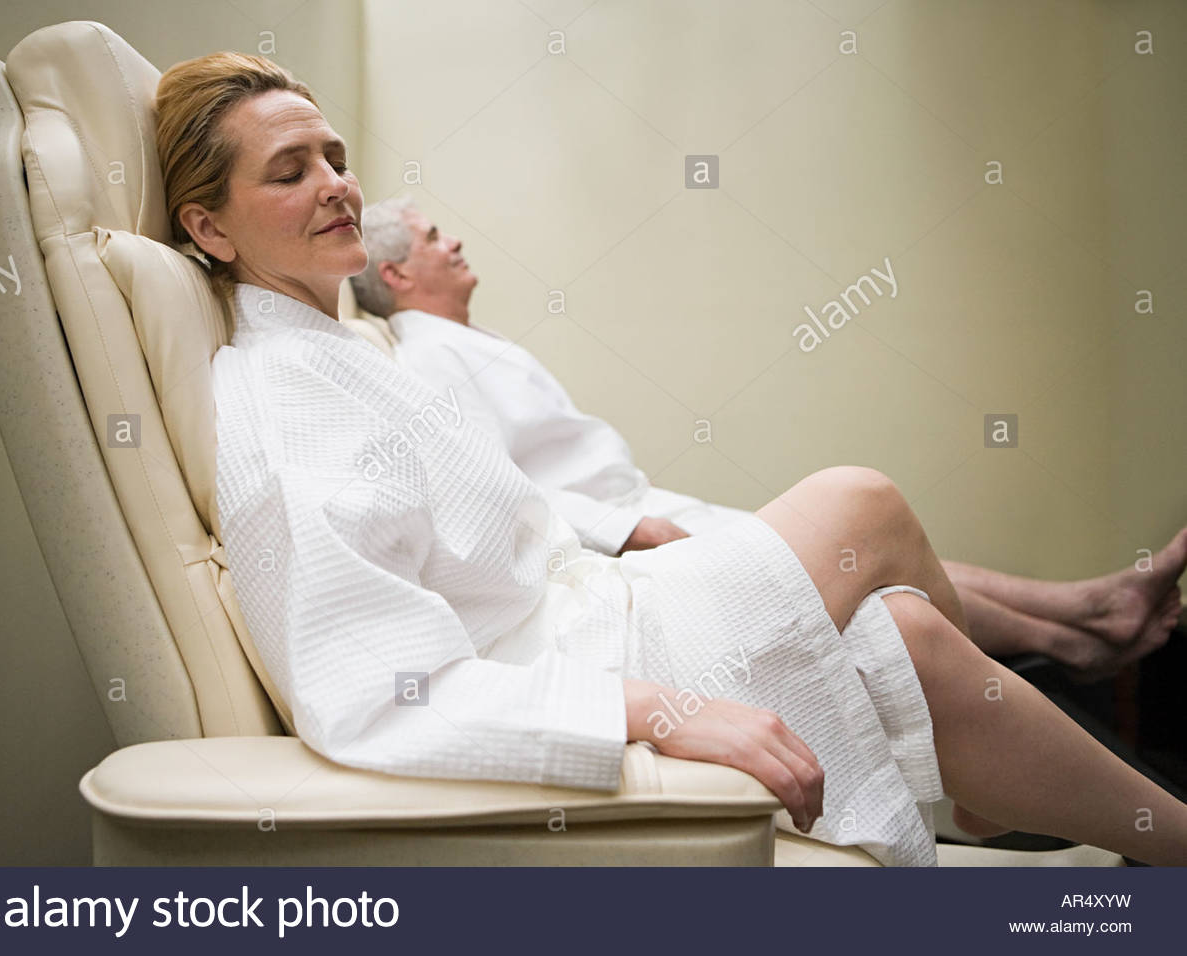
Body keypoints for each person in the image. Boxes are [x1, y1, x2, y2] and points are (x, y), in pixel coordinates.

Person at [155, 50, 1187, 866]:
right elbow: (372, 693)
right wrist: (660, 709)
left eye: (334, 156)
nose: (335, 186)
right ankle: (986, 785)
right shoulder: (281, 405)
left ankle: (1156, 839)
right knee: (858, 503)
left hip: (593, 612)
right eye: (289, 173)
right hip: (572, 664)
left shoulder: (349, 350)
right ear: (208, 223)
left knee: (905, 631)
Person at [352, 197, 1185, 684]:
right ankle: (1074, 629)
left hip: (645, 512)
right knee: (873, 550)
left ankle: (1083, 613)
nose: (452, 240)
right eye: (431, 238)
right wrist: (624, 530)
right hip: (627, 541)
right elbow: (486, 482)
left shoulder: (466, 341)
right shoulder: (428, 356)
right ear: (395, 276)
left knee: (883, 544)